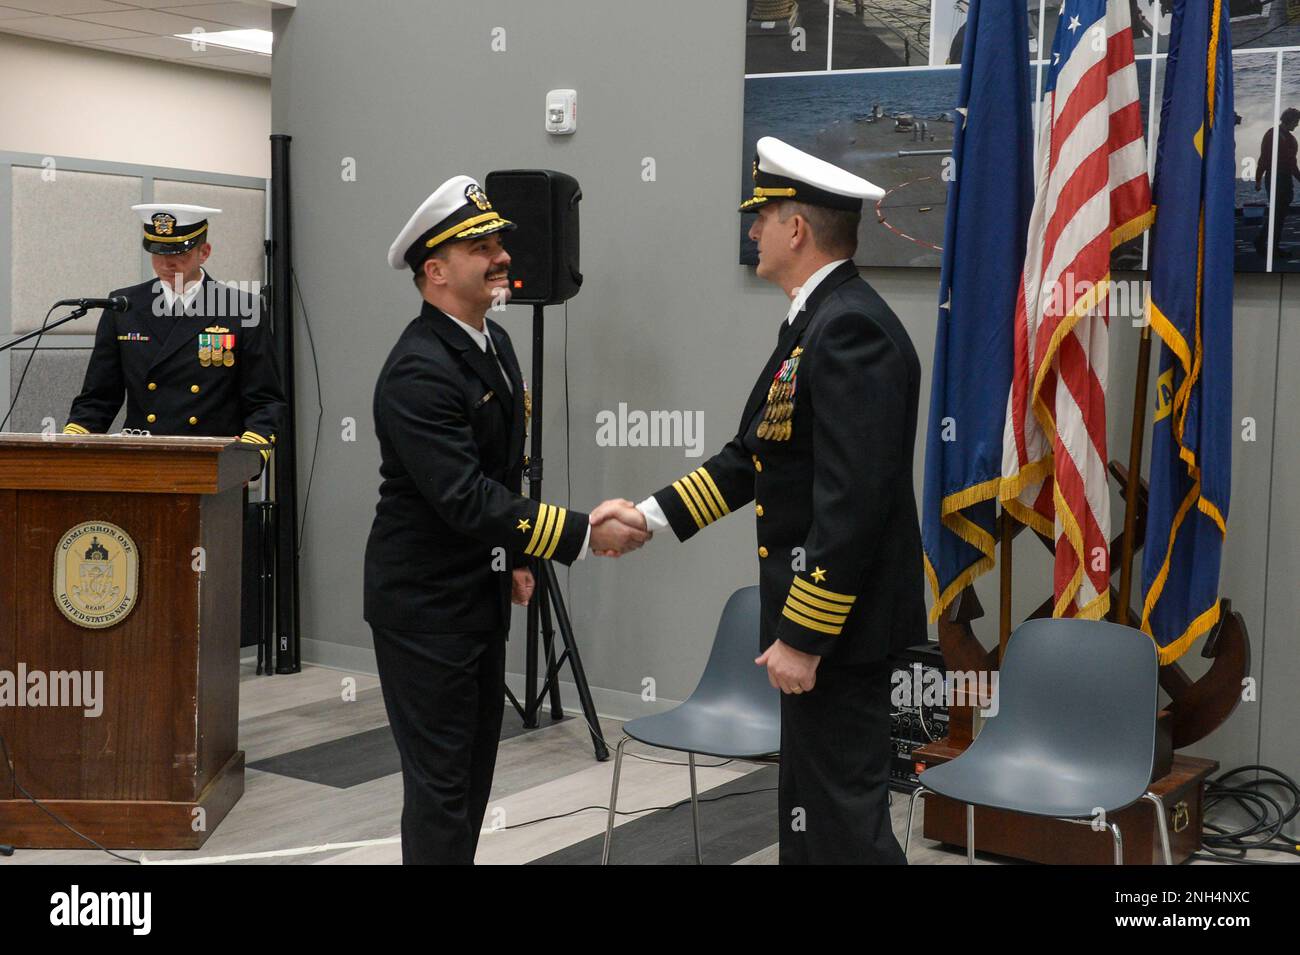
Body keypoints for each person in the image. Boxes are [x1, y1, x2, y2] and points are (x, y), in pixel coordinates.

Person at [593, 137, 926, 864]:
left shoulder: (850, 330)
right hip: (824, 631)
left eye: (762, 217)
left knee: (844, 831)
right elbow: (752, 459)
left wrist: (805, 635)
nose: (752, 232)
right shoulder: (819, 322)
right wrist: (645, 516)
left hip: (841, 634)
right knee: (811, 821)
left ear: (796, 229)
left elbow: (853, 503)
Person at [364, 176, 648, 864]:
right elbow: (466, 497)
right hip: (426, 605)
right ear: (435, 271)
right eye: (479, 247)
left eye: (498, 244)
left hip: (477, 592)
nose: (500, 257)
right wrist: (579, 533)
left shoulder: (491, 342)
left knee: (469, 774)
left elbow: (500, 473)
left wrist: (519, 560)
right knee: (440, 787)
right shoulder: (418, 370)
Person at [63, 203, 285, 459]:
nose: (167, 263)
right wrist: (71, 445)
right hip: (141, 456)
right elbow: (99, 396)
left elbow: (265, 400)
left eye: (180, 253)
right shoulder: (124, 305)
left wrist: (248, 456)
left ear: (204, 252)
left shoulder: (241, 308)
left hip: (211, 460)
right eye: (158, 253)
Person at [1255, 107, 1299, 261]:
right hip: (1275, 178)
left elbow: (1292, 163)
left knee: (1279, 215)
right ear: (1290, 119)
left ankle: (1265, 243)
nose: (1297, 124)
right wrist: (1258, 178)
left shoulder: (1291, 139)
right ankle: (1268, 246)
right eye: (1296, 121)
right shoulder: (1273, 135)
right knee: (1277, 214)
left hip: (1285, 179)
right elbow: (1265, 158)